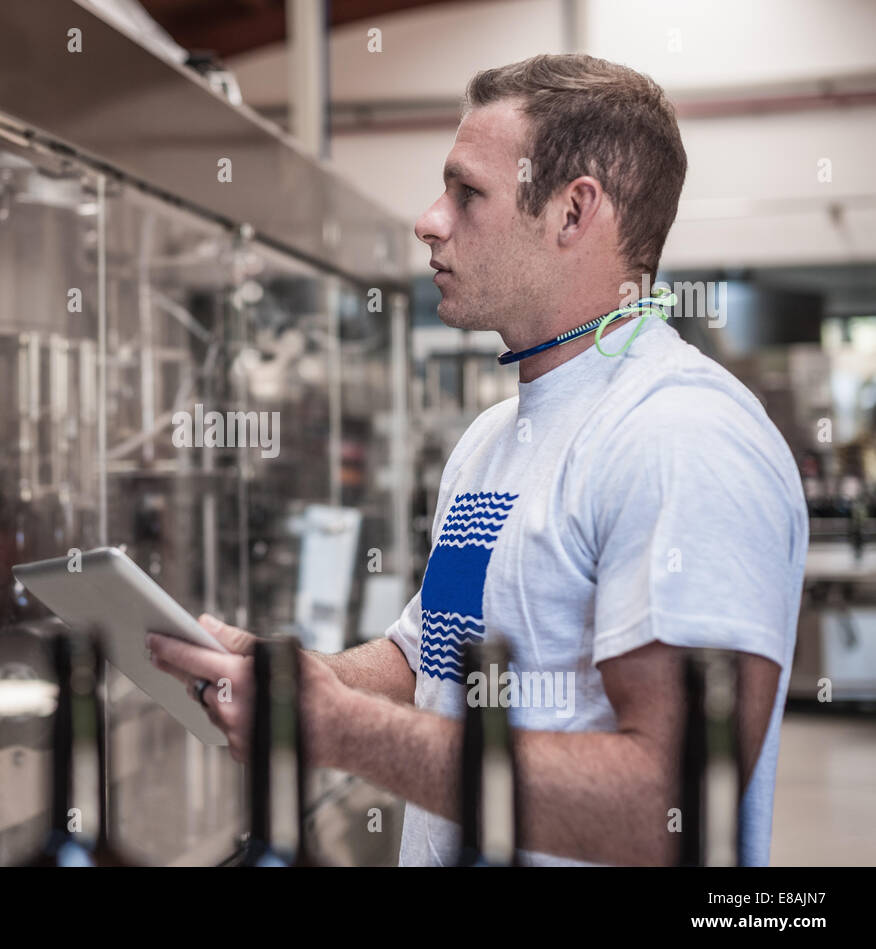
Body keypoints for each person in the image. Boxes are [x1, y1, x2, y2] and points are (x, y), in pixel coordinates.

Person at [148, 53, 807, 866]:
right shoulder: (492, 442)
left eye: (467, 193)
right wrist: (288, 684)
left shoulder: (679, 436)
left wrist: (347, 733)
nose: (429, 220)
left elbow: (669, 802)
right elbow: (424, 659)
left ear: (573, 212)